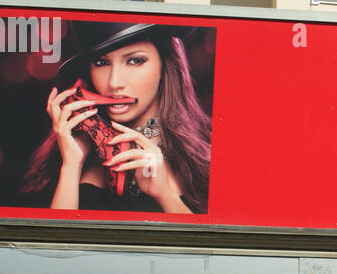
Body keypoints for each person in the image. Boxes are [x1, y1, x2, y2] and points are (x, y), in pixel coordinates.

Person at [21, 23, 212, 214]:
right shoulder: (67, 158)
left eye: (135, 61)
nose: (114, 83)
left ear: (165, 66)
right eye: (102, 63)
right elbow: (56, 243)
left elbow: (207, 244)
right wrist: (71, 166)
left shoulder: (210, 156)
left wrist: (165, 196)